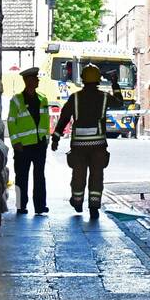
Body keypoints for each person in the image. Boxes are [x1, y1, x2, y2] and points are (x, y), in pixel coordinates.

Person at [51, 63, 121, 219]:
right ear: (97, 80)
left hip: (78, 146)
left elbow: (63, 119)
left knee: (78, 175)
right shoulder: (104, 97)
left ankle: (77, 201)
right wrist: (115, 83)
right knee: (97, 176)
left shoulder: (75, 98)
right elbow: (119, 102)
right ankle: (94, 206)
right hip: (98, 146)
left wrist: (55, 138)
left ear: (82, 79)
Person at [6, 67, 51, 214]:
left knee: (40, 176)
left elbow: (46, 121)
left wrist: (46, 139)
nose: (38, 80)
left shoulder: (42, 99)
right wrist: (15, 142)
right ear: (27, 80)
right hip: (23, 146)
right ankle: (20, 205)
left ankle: (40, 206)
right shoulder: (17, 101)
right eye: (35, 78)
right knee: (21, 177)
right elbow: (11, 122)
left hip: (39, 144)